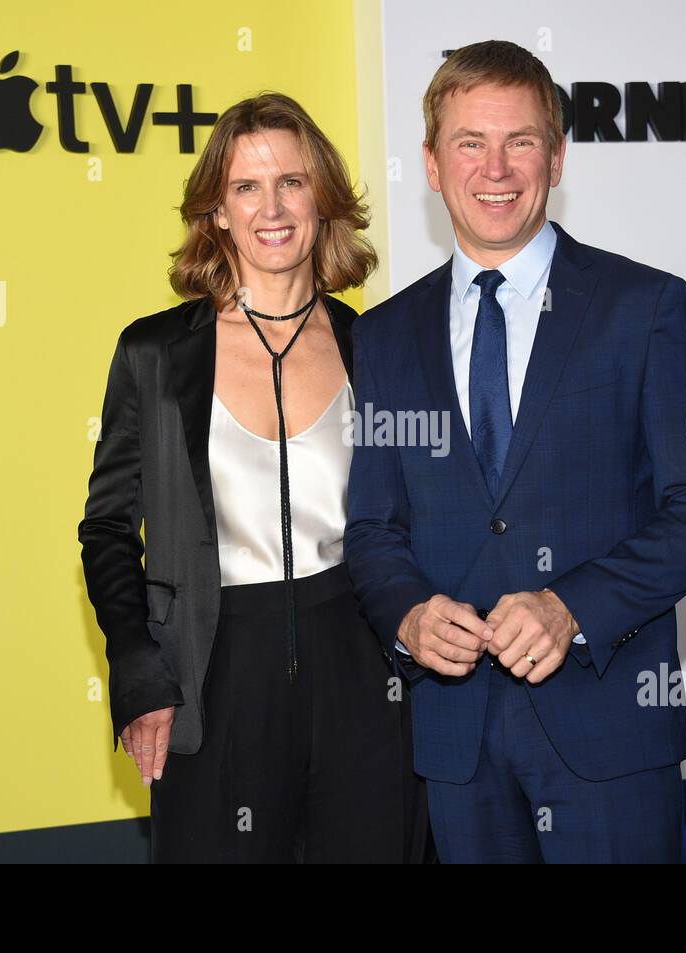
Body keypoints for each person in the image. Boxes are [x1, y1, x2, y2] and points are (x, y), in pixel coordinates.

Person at [344, 41, 686, 863]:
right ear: (430, 163)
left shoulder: (645, 307)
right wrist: (411, 615)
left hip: (610, 732)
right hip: (455, 741)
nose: (496, 168)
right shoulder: (385, 335)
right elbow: (373, 528)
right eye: (469, 142)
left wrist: (571, 608)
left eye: (520, 141)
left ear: (556, 157)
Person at [78, 92, 428, 863]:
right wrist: (139, 670)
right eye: (246, 187)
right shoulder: (154, 354)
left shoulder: (376, 346)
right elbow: (106, 528)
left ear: (323, 200)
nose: (271, 207)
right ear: (216, 211)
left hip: (363, 670)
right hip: (212, 672)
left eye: (292, 182)